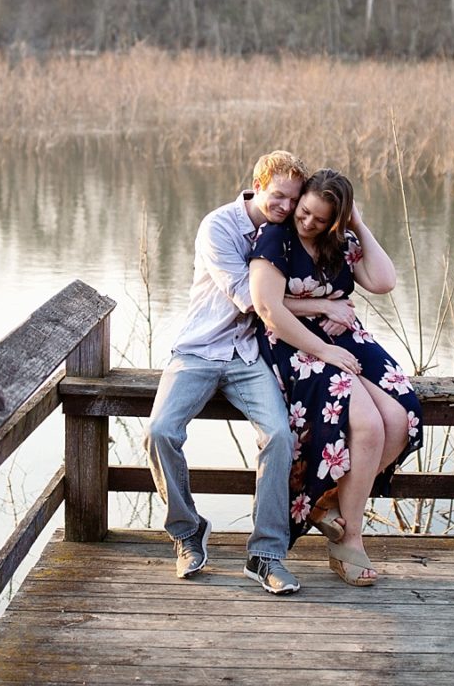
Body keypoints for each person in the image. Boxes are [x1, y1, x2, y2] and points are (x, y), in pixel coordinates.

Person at [145, 150, 345, 596]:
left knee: (279, 434)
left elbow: (331, 264)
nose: (286, 207)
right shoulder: (218, 226)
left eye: (293, 199)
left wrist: (338, 302)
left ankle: (266, 553)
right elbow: (252, 300)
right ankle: (187, 530)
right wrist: (322, 306)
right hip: (198, 350)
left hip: (249, 356)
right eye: (279, 196)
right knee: (160, 431)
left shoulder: (287, 232)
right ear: (257, 185)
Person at [249, 168, 424, 586]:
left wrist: (358, 225)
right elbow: (267, 306)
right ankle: (352, 540)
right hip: (297, 345)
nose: (308, 222)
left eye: (321, 218)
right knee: (366, 425)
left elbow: (382, 281)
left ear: (336, 219)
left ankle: (328, 502)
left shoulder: (340, 242)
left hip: (347, 338)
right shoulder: (277, 238)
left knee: (401, 418)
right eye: (304, 211)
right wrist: (324, 325)